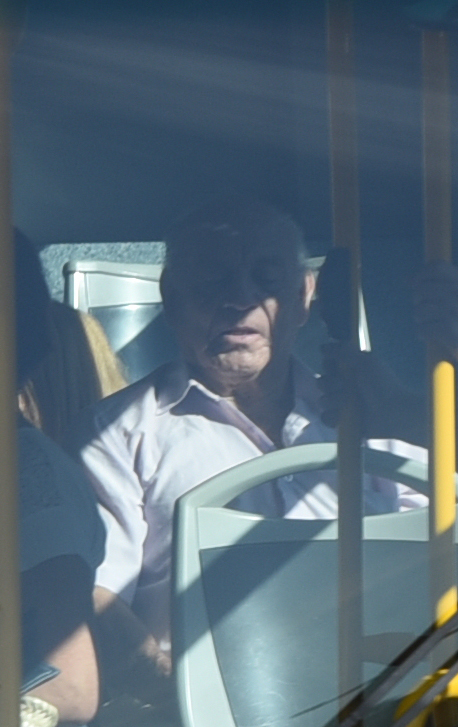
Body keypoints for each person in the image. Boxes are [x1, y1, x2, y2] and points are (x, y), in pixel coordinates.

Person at [72, 197, 416, 671]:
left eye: (267, 280)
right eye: (214, 281)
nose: (240, 299)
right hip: (190, 724)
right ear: (170, 296)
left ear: (304, 296)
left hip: (374, 709)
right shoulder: (116, 435)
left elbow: (451, 545)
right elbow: (99, 595)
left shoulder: (371, 418)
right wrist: (178, 695)